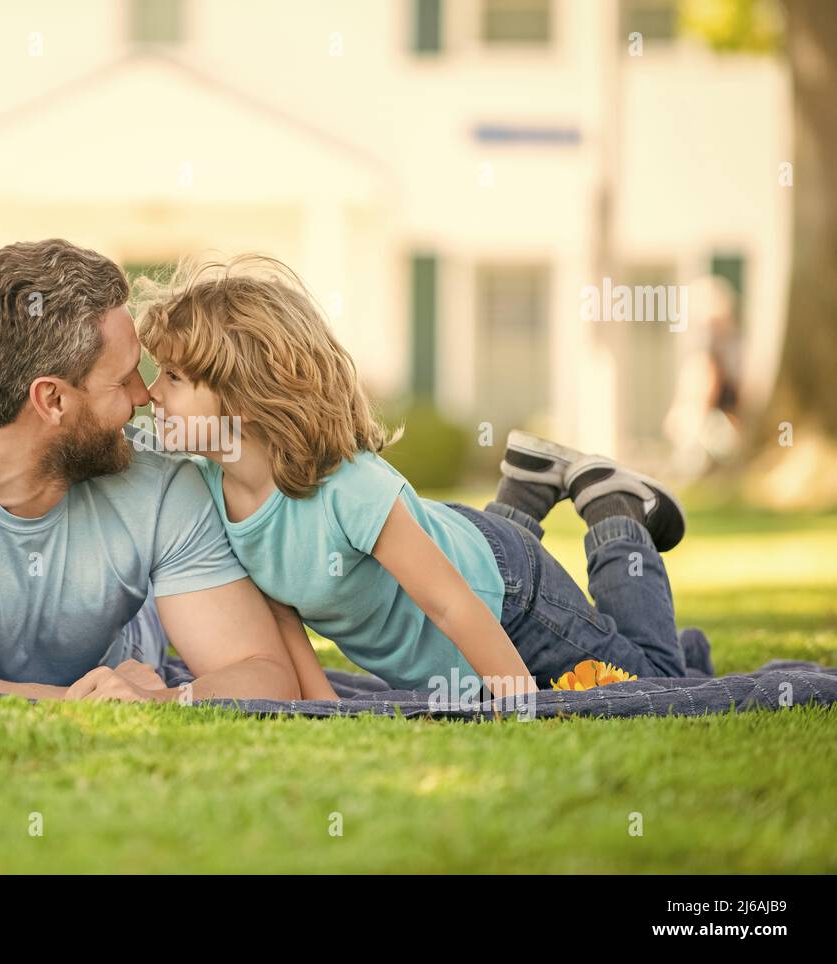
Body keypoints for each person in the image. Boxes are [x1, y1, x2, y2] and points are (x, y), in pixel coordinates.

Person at [134, 254, 711, 701]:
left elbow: (449, 605)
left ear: (247, 393)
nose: (152, 391)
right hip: (449, 552)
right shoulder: (209, 489)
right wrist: (324, 708)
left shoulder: (348, 490)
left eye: (176, 377)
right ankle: (527, 487)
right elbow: (279, 612)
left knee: (650, 686)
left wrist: (518, 703)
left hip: (507, 602)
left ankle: (614, 509)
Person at [0, 239, 299, 702]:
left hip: (129, 624)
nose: (144, 396)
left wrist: (155, 698)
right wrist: (77, 703)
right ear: (52, 399)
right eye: (124, 379)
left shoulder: (163, 482)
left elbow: (266, 673)